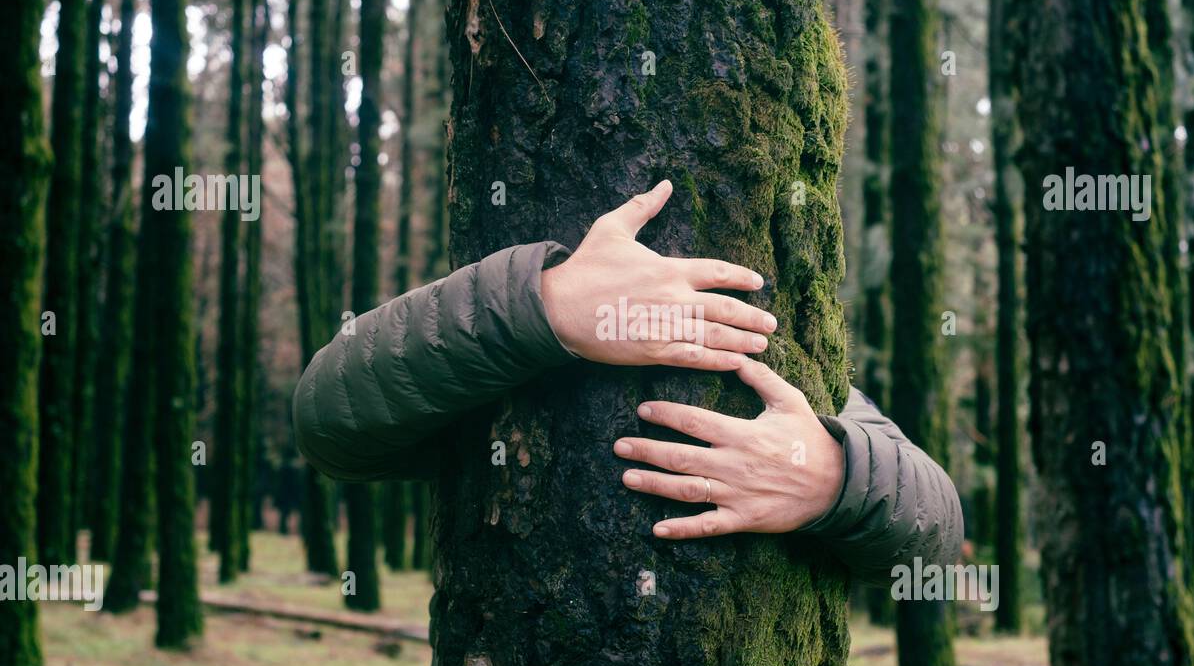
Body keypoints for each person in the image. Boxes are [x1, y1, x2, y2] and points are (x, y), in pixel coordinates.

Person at [292, 181, 962, 584]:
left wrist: (831, 477)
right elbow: (329, 419)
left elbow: (934, 548)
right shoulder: (498, 378)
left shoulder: (802, 387)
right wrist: (546, 306)